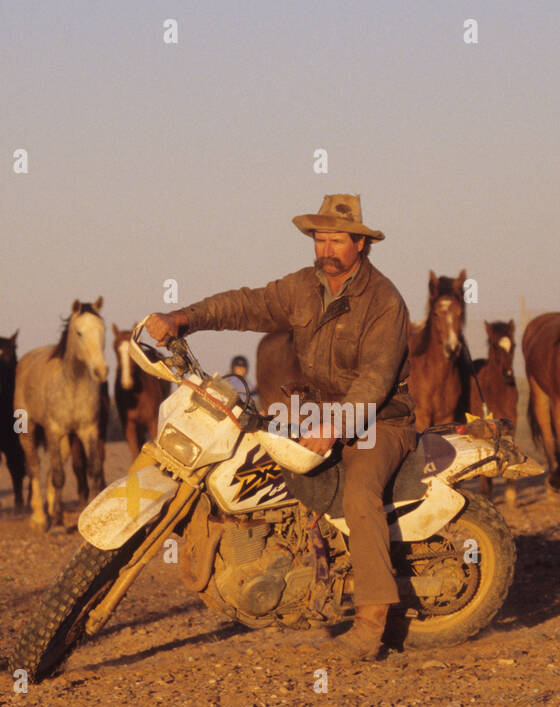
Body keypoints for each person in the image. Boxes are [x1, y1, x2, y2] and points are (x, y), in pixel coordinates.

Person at [144, 194, 416, 660]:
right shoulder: (302, 288)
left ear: (361, 245)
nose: (326, 249)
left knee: (359, 492)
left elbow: (376, 378)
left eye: (337, 240)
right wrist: (183, 318)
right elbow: (246, 305)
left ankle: (372, 621)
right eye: (320, 239)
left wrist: (337, 425)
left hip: (377, 421)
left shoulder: (384, 301)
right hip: (313, 414)